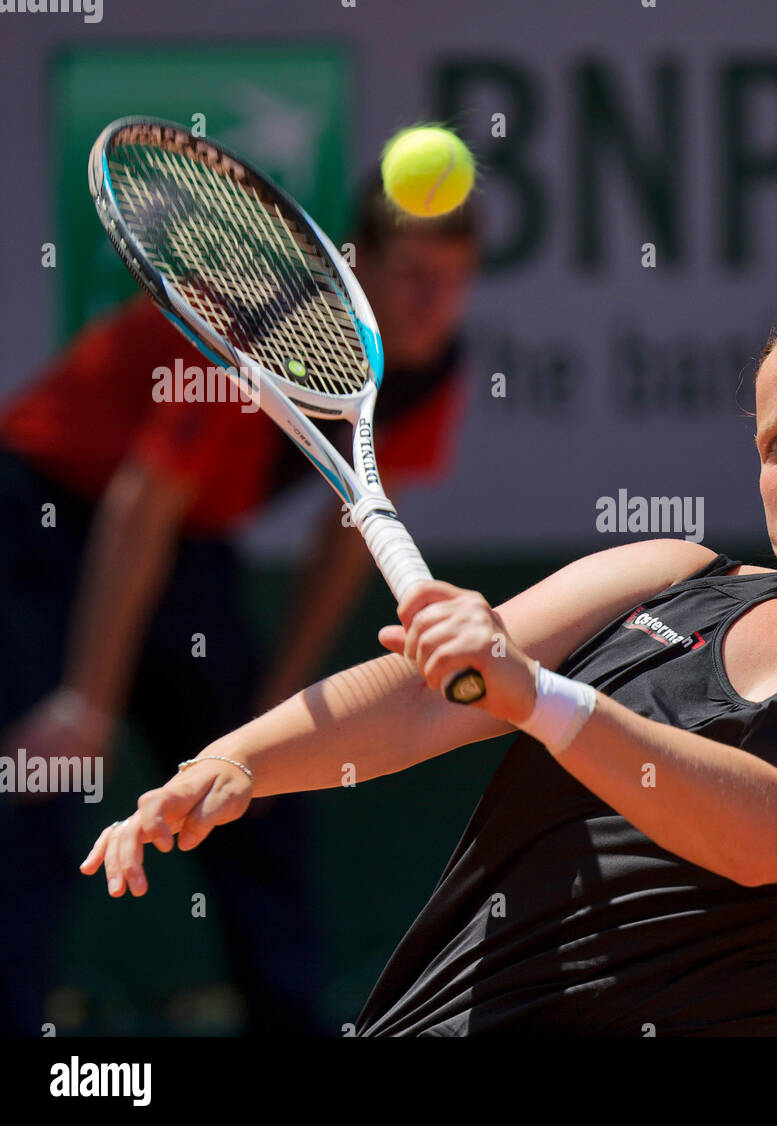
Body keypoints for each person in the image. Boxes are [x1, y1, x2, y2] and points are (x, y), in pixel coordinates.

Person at [81, 293, 777, 1036]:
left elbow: (771, 834)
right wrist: (236, 762)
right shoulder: (662, 575)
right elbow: (426, 697)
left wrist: (538, 696)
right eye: (772, 440)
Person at [0, 171, 481, 1035]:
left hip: (189, 546)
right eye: (412, 273)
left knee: (264, 772)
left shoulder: (427, 367)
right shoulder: (243, 321)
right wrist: (87, 700)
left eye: (453, 279)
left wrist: (281, 697)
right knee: (46, 779)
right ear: (358, 265)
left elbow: (345, 541)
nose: (431, 303)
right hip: (41, 517)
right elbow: (141, 504)